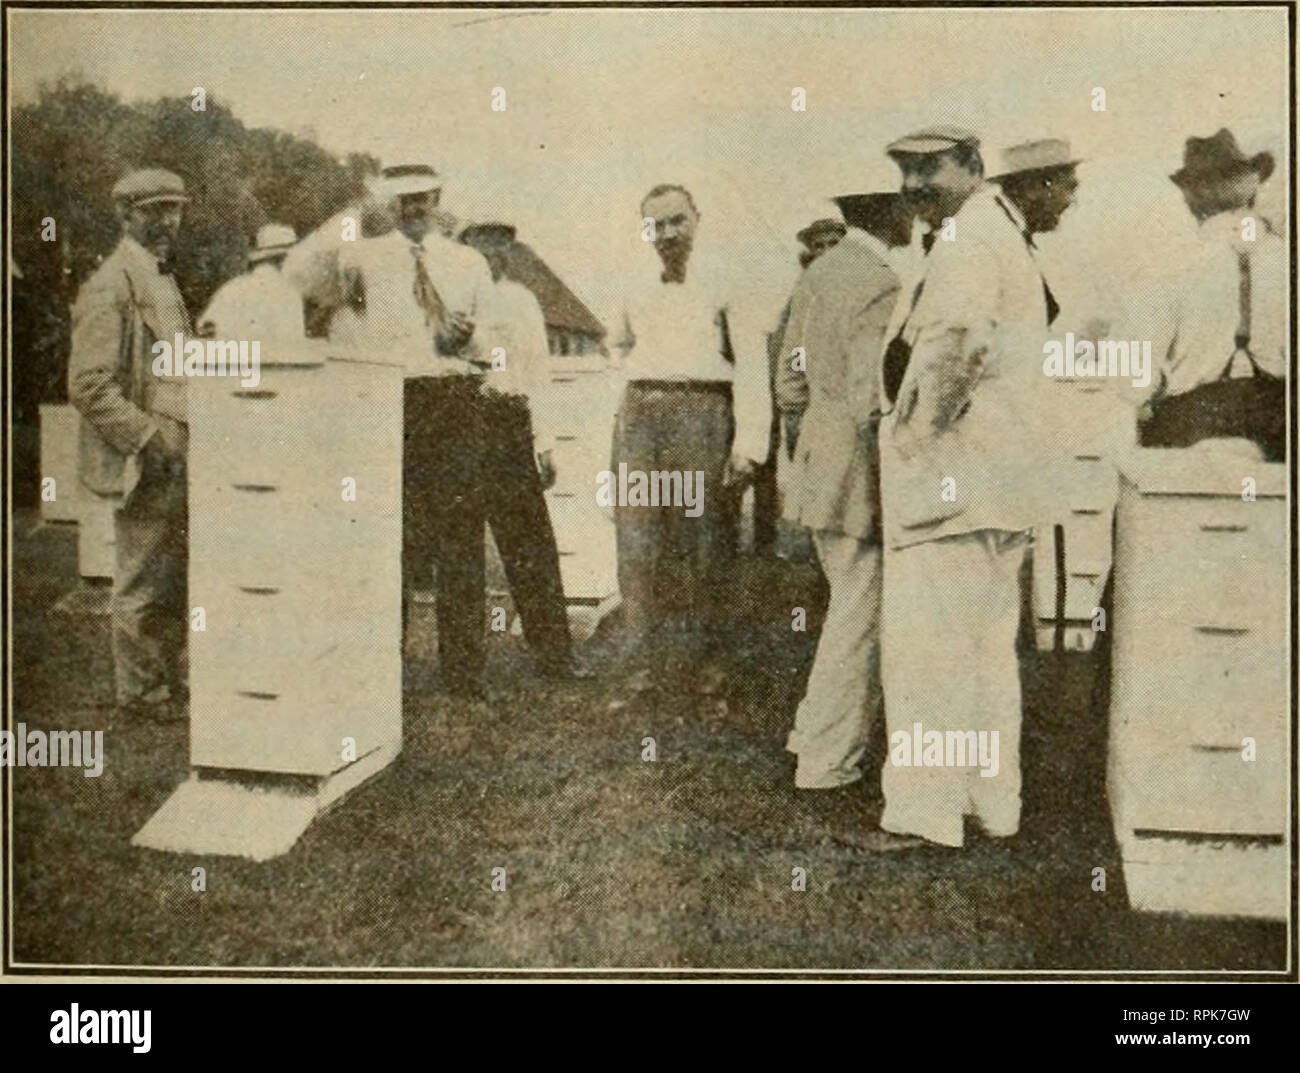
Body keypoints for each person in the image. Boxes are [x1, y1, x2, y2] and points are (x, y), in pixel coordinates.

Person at [876, 127, 1068, 848]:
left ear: (975, 168)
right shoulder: (995, 234)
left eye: (930, 168)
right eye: (905, 172)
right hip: (998, 481)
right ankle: (993, 806)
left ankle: (924, 815)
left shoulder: (969, 238)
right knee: (987, 652)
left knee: (931, 653)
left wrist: (916, 439)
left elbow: (960, 344)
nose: (915, 185)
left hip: (953, 479)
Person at [285, 163, 496, 699]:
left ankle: (466, 675)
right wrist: (357, 212)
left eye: (423, 198)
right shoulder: (362, 256)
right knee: (388, 540)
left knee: (460, 542)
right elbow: (296, 273)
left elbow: (493, 346)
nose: (414, 210)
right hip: (388, 403)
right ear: (390, 204)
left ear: (438, 196)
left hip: (452, 401)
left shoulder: (468, 260)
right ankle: (383, 667)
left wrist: (469, 343)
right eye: (402, 201)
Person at [610, 183, 772, 710]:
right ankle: (642, 675)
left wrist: (748, 444)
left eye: (677, 221)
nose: (668, 234)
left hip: (702, 414)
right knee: (639, 547)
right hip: (641, 417)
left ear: (697, 219)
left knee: (705, 547)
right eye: (657, 225)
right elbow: (618, 345)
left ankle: (710, 676)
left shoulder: (728, 280)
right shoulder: (633, 283)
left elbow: (751, 364)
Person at [776, 197, 906, 808]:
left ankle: (810, 737)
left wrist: (808, 444)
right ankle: (829, 761)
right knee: (859, 615)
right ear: (891, 214)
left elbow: (790, 380)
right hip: (858, 461)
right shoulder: (880, 282)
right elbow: (871, 396)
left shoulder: (818, 272)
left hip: (820, 459)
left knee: (845, 606)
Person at [67, 168, 192, 722]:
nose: (168, 221)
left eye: (175, 209)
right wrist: (146, 435)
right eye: (155, 210)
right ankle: (140, 695)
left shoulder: (162, 280)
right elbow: (88, 383)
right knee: (141, 575)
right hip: (146, 454)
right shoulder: (110, 285)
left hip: (178, 447)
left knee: (174, 571)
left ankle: (164, 682)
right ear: (125, 215)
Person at [459, 220, 589, 680]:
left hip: (508, 423)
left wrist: (545, 443)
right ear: (466, 247)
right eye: (483, 243)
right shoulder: (452, 295)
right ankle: (463, 668)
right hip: (458, 421)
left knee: (530, 541)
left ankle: (555, 655)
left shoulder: (522, 301)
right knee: (460, 546)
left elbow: (537, 376)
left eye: (502, 244)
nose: (493, 253)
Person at [1149, 129, 1285, 399]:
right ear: (1251, 189)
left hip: (1194, 422)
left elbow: (1135, 380)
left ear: (1191, 197)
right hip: (1279, 417)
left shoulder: (1174, 264)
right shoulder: (1284, 257)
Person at [198, 223, 305, 343]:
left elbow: (205, 331)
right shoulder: (289, 294)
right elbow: (293, 350)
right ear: (283, 259)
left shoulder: (231, 288)